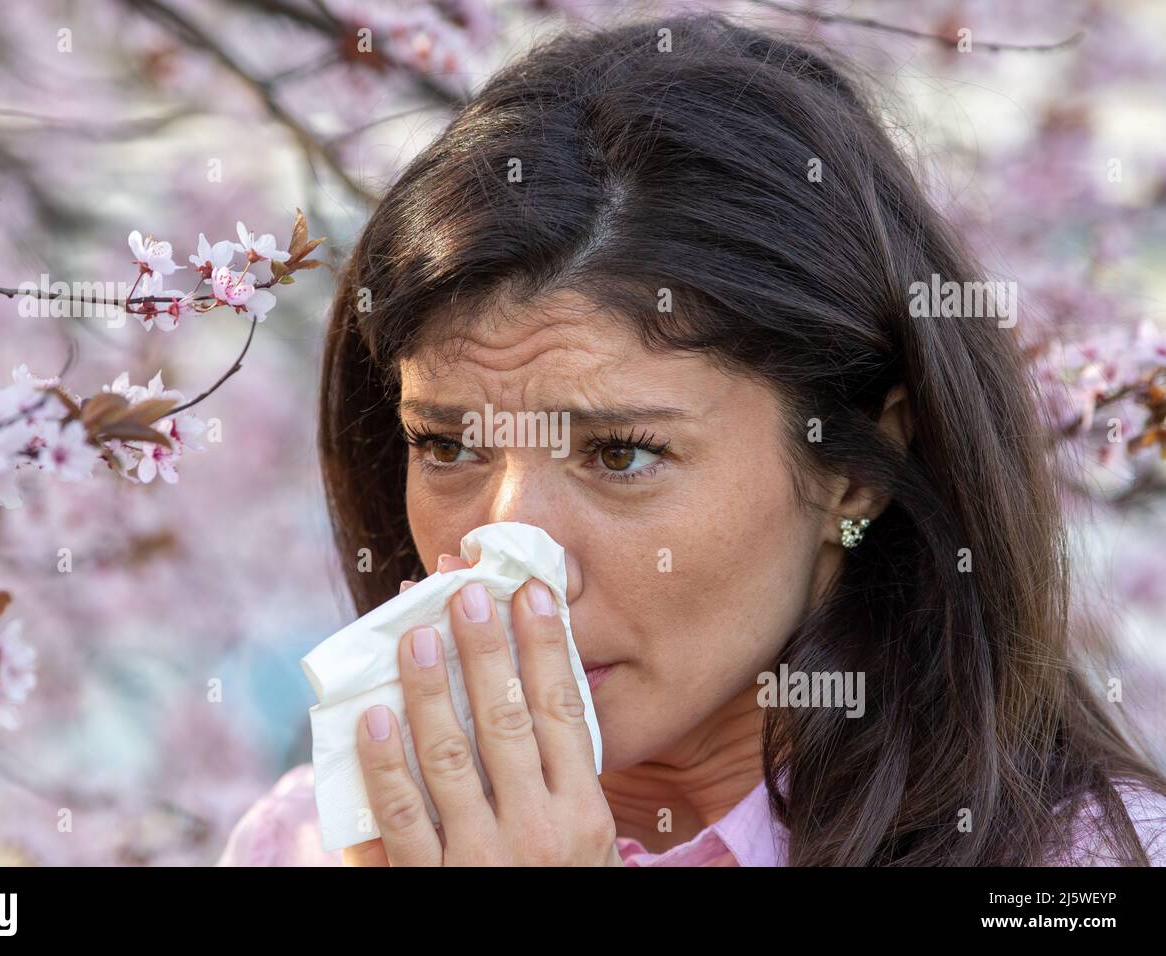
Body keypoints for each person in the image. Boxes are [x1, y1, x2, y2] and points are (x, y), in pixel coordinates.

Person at [219, 12, 1166, 866]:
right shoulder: (308, 842)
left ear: (850, 474)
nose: (505, 557)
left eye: (620, 453)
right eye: (450, 447)